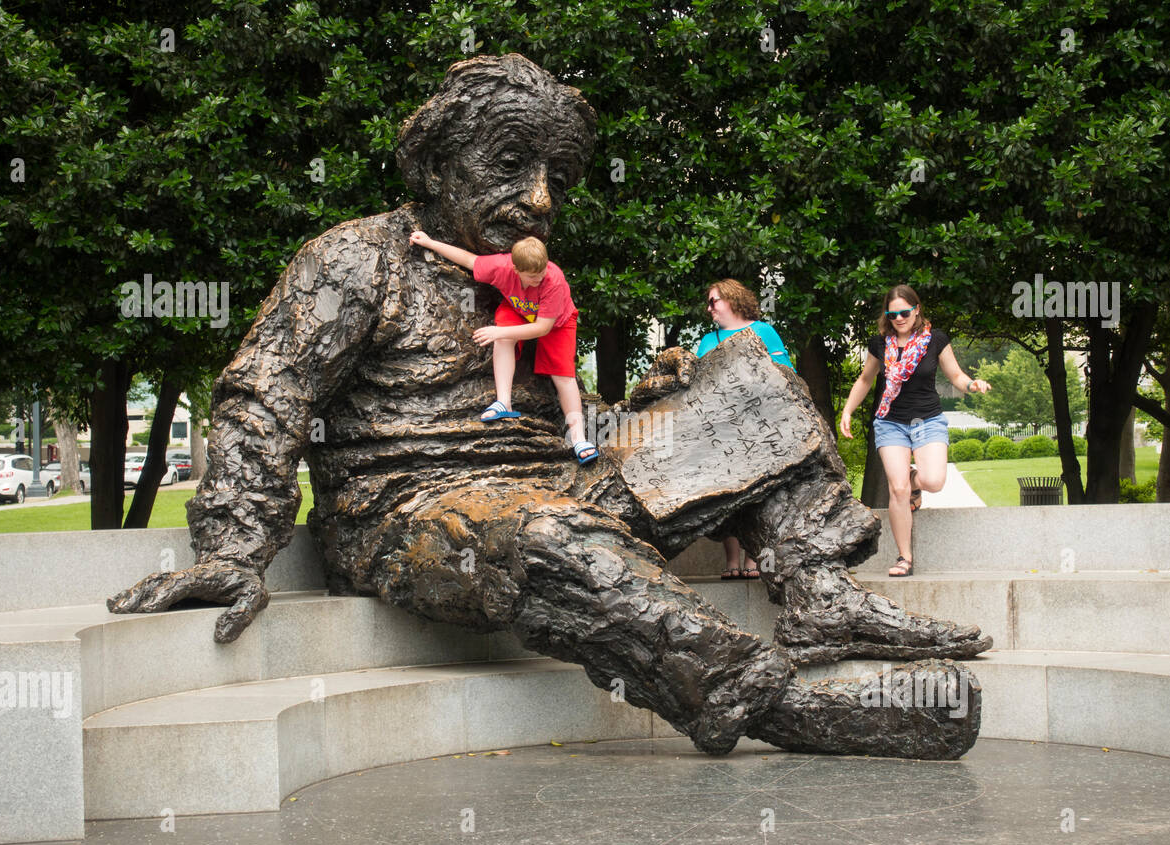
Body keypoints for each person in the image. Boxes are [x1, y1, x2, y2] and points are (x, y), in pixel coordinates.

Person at [109, 55, 990, 760]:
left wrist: (632, 412)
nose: (539, 197)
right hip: (415, 512)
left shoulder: (532, 277)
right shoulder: (354, 260)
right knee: (551, 537)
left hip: (562, 479)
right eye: (509, 166)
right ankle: (771, 700)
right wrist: (234, 546)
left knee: (753, 383)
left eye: (555, 176)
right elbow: (262, 398)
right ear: (435, 167)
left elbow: (554, 404)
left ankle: (820, 592)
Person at [839, 284, 991, 577]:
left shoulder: (935, 340)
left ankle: (913, 479)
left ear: (916, 309)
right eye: (892, 314)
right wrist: (847, 410)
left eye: (905, 312)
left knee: (933, 481)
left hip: (928, 420)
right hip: (890, 421)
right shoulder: (880, 345)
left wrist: (972, 385)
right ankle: (904, 558)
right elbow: (865, 379)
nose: (899, 318)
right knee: (897, 490)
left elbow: (956, 375)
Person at [408, 231, 598, 464]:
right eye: (532, 277)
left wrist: (499, 331)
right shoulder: (500, 266)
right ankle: (503, 402)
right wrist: (429, 242)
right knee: (503, 338)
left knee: (563, 375)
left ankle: (578, 438)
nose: (538, 280)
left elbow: (541, 329)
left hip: (556, 322)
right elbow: (468, 260)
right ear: (516, 269)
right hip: (518, 310)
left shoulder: (554, 280)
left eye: (541, 273)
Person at [694, 279, 793, 580]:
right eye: (708, 302)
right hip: (722, 431)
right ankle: (732, 560)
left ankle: (754, 560)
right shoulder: (707, 341)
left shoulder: (763, 331)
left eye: (714, 301)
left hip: (760, 426)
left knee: (758, 494)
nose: (709, 308)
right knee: (729, 497)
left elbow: (786, 371)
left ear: (733, 300)